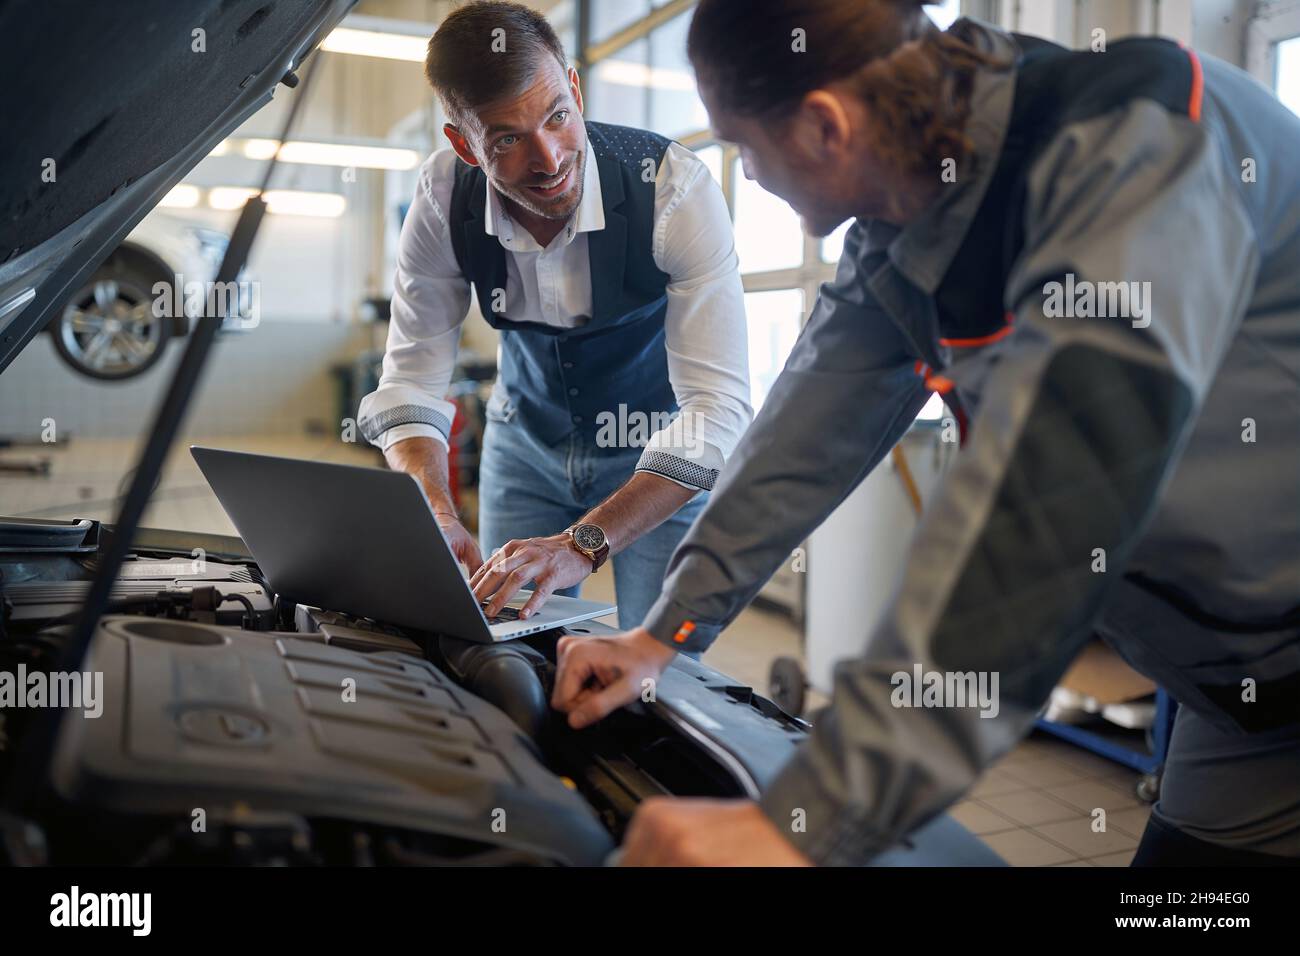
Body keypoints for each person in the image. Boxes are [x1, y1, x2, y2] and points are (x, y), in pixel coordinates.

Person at [551, 0, 1300, 866]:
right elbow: (806, 430)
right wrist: (661, 635)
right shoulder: (909, 215)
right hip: (1239, 685)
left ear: (826, 125)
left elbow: (1046, 508)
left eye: (746, 148)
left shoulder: (1141, 149)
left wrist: (806, 821)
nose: (748, 177)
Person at [359, 1, 751, 630]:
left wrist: (579, 545)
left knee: (659, 655)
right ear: (463, 144)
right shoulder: (440, 200)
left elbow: (718, 407)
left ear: (574, 88)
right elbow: (409, 379)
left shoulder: (673, 189)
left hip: (656, 450)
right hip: (524, 445)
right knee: (511, 638)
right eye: (507, 139)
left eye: (557, 117)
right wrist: (433, 506)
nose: (548, 159)